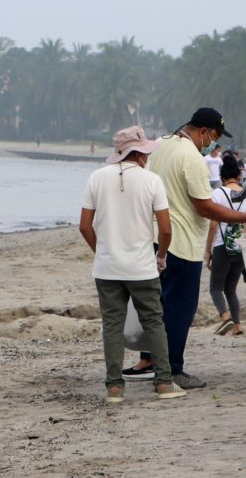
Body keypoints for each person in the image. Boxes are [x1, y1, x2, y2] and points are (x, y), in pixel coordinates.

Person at [122, 108, 246, 390]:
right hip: (182, 243)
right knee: (180, 308)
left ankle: (149, 360)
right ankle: (173, 369)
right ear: (202, 131)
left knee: (157, 304)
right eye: (213, 136)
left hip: (156, 236)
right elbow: (204, 205)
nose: (213, 143)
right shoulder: (192, 157)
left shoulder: (163, 144)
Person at [79, 126, 186, 403]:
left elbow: (84, 226)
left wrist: (100, 250)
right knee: (154, 322)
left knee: (112, 325)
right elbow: (165, 230)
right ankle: (163, 383)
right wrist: (161, 256)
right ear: (140, 154)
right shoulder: (152, 181)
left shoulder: (97, 178)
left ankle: (114, 387)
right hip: (142, 267)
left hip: (107, 267)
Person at [205, 154, 246, 337]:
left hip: (221, 246)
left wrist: (207, 251)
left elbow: (212, 225)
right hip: (241, 246)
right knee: (231, 289)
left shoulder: (217, 194)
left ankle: (225, 317)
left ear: (222, 176)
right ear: (239, 176)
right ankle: (237, 326)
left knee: (215, 287)